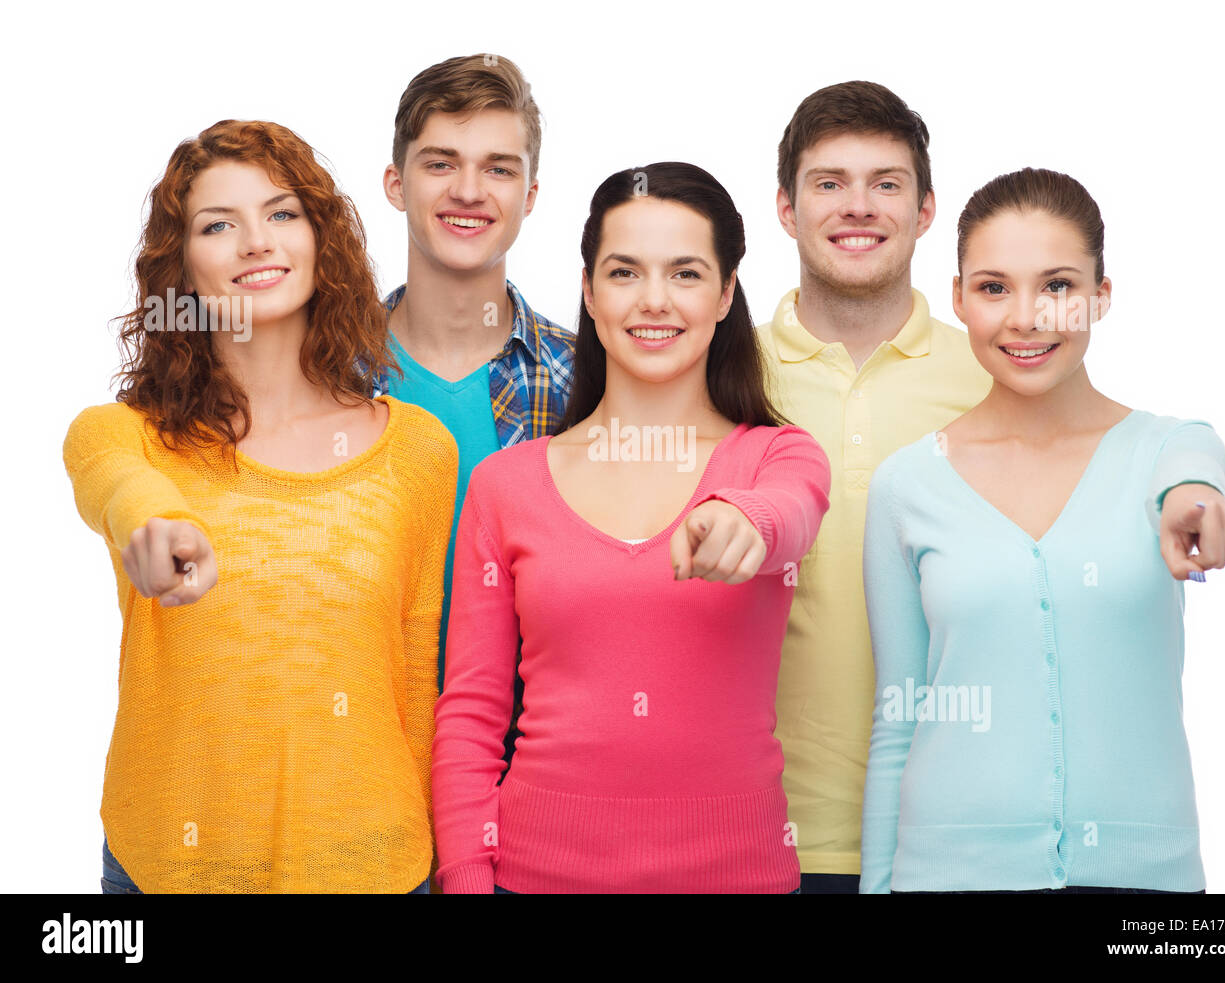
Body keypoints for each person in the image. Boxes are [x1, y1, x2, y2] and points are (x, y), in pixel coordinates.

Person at [62, 120, 458, 893]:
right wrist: (153, 523)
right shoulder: (128, 438)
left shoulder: (419, 449)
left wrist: (436, 860)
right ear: (182, 268)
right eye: (218, 225)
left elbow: (415, 681)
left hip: (375, 867)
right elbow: (114, 484)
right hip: (168, 867)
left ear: (320, 237)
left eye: (281, 214)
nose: (255, 242)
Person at [430, 162, 831, 893]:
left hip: (738, 879)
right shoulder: (505, 483)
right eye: (624, 272)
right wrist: (464, 876)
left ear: (726, 294)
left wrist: (743, 514)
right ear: (588, 290)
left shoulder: (775, 457)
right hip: (534, 876)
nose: (654, 301)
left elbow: (792, 510)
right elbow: (471, 714)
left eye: (685, 274)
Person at [860, 167, 1225, 894]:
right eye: (994, 286)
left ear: (1102, 296)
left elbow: (1197, 475)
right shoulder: (906, 486)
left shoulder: (1165, 452)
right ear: (959, 300)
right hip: (945, 877)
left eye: (1059, 287)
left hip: (1147, 887)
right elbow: (898, 719)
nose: (1027, 317)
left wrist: (1197, 506)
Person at [757, 81, 992, 892]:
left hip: (954, 838)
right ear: (786, 208)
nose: (858, 207)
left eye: (886, 184)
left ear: (927, 209)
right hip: (755, 833)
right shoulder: (720, 378)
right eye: (829, 183)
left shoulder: (996, 375)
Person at [377, 54, 575, 716]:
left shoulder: (586, 380)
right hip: (355, 760)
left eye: (498, 168)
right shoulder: (324, 374)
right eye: (440, 163)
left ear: (530, 195)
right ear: (396, 184)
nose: (468, 190)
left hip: (527, 767)